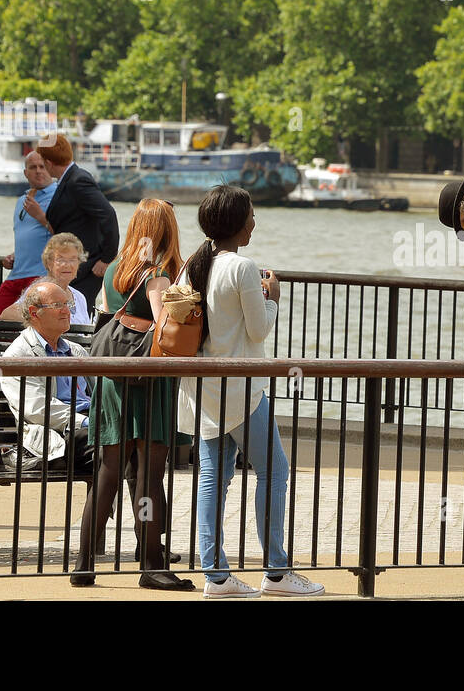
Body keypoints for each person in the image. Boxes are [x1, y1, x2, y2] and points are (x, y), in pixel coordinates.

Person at [178, 184, 324, 598]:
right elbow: (258, 330)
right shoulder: (242, 267)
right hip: (242, 387)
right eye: (251, 217)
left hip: (204, 386)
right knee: (274, 472)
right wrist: (273, 298)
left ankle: (216, 576)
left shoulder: (193, 265)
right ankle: (276, 571)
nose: (255, 223)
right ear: (238, 224)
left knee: (213, 479)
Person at [71, 198, 191, 591]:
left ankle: (84, 563)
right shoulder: (158, 272)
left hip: (112, 376)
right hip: (148, 378)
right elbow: (163, 326)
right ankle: (152, 564)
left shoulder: (116, 270)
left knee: (108, 470)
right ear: (165, 229)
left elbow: (106, 314)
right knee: (149, 474)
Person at [0, 280, 94, 471]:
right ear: (34, 313)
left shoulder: (76, 351)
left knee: (138, 441)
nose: (67, 311)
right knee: (109, 445)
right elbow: (37, 409)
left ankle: (108, 502)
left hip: (89, 422)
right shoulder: (18, 356)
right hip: (58, 432)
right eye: (58, 305)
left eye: (68, 304)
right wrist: (87, 421)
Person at [38, 134, 119, 308]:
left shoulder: (77, 180)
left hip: (84, 269)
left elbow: (108, 214)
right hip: (72, 267)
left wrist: (106, 258)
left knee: (74, 317)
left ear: (49, 162)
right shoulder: (70, 180)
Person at [0, 151, 57, 319]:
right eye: (33, 167)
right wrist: (15, 255)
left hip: (42, 276)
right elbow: (28, 237)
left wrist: (41, 216)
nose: (38, 171)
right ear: (26, 173)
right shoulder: (21, 200)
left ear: (50, 168)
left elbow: (67, 238)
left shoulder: (60, 196)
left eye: (42, 166)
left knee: (33, 330)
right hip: (17, 274)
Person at [0, 233, 92, 325]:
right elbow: (7, 315)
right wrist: (46, 323)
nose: (67, 265)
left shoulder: (79, 297)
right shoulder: (41, 290)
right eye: (60, 259)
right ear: (49, 263)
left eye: (72, 259)